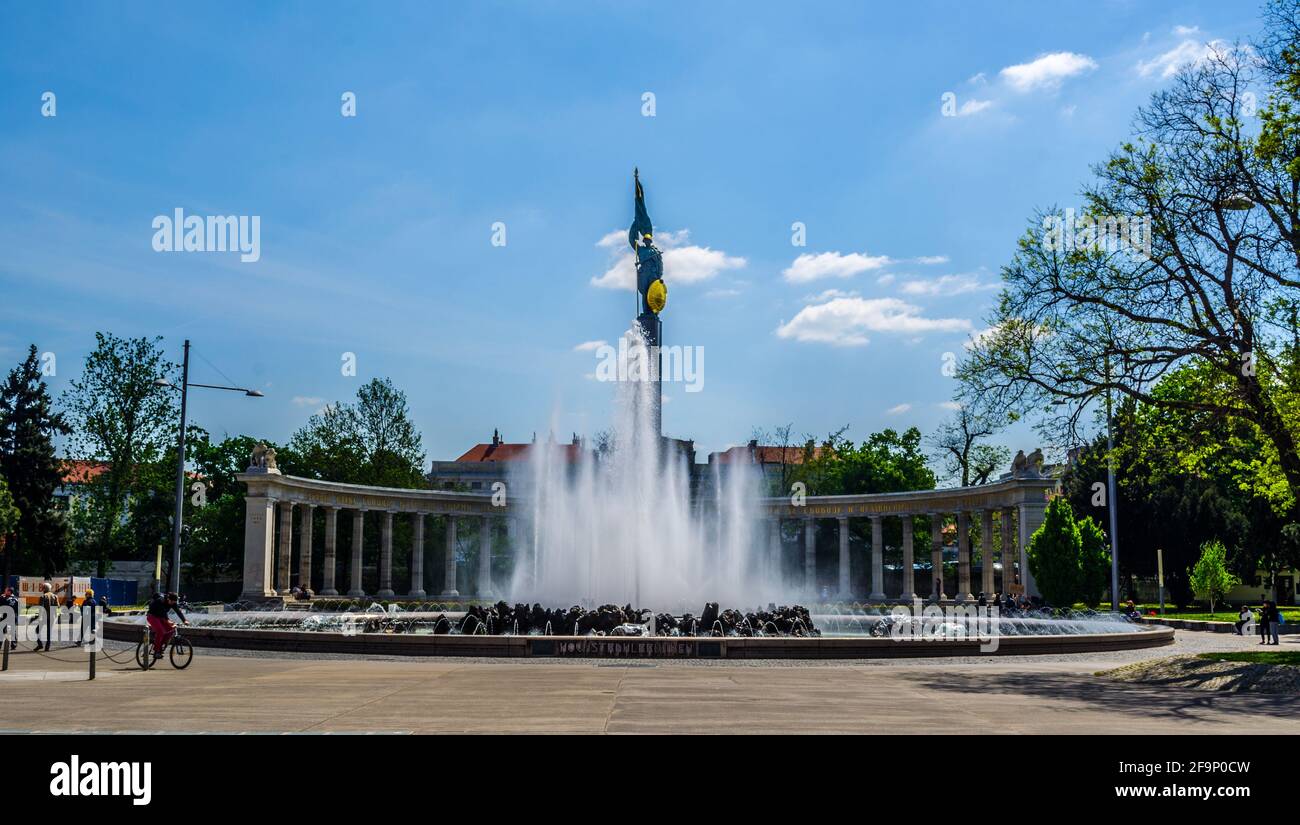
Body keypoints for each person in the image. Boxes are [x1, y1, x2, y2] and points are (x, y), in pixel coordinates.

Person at [146, 591, 188, 659]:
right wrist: (169, 621)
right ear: (168, 599)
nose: (172, 604)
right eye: (171, 602)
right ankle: (156, 651)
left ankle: (161, 647)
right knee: (161, 632)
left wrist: (184, 620)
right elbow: (163, 614)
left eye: (174, 602)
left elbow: (178, 611)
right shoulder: (160, 601)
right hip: (152, 616)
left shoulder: (172, 602)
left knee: (171, 629)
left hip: (161, 617)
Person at [36, 582, 58, 650]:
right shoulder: (55, 596)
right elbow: (57, 606)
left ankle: (40, 644)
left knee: (37, 630)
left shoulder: (43, 596)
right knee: (49, 631)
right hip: (52, 616)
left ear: (44, 588)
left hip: (44, 617)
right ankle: (47, 647)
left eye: (42, 588)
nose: (42, 589)